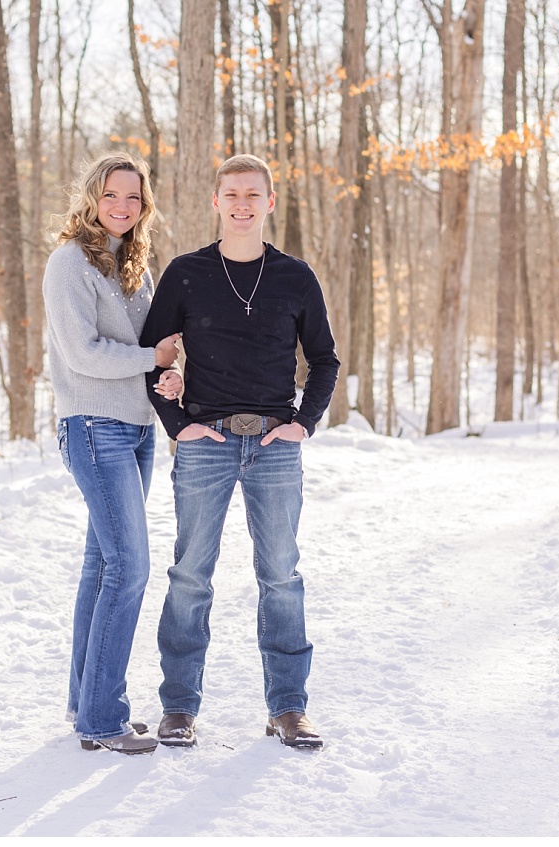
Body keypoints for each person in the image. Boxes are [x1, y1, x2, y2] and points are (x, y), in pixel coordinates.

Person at [140, 153, 340, 750]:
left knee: (280, 576)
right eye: (232, 195)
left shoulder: (295, 277)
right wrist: (177, 424)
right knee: (190, 575)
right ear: (216, 201)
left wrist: (303, 423)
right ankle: (178, 706)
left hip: (276, 445)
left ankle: (288, 707)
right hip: (207, 442)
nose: (243, 205)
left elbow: (325, 360)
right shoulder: (185, 273)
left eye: (254, 195)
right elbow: (151, 356)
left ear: (270, 202)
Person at [43, 153, 182, 755]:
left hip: (136, 428)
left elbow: (150, 346)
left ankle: (86, 701)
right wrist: (153, 361)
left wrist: (171, 375)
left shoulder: (134, 268)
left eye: (133, 197)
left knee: (102, 568)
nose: (122, 207)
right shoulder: (68, 262)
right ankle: (103, 717)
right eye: (111, 196)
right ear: (91, 198)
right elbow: (85, 353)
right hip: (94, 427)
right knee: (130, 568)